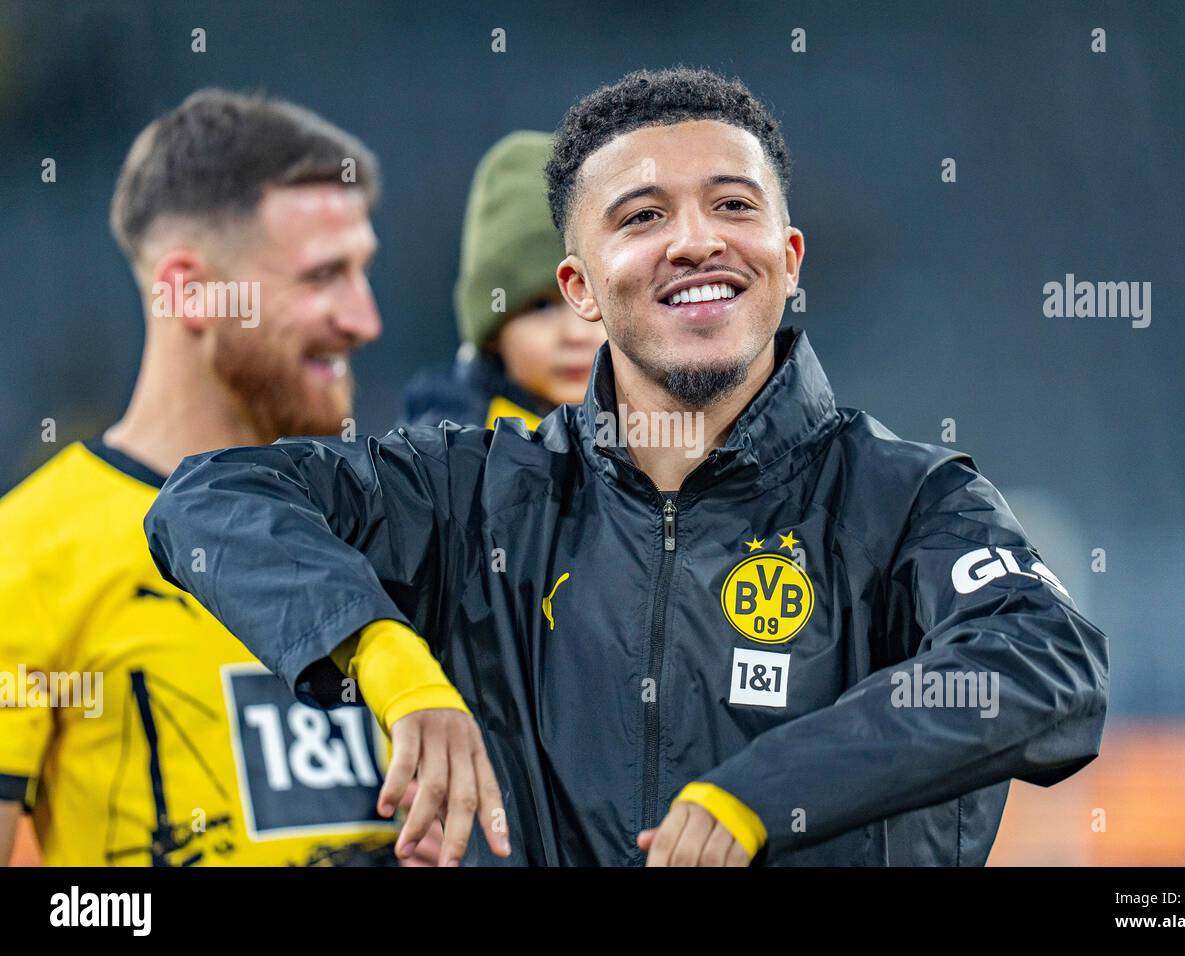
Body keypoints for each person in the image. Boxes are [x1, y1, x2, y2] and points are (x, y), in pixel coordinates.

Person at [145, 68, 1109, 867]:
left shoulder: (906, 500)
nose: (696, 239)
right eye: (643, 215)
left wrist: (765, 792)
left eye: (733, 205)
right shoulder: (475, 493)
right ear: (582, 287)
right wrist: (393, 664)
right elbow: (207, 500)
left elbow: (1047, 668)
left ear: (789, 254)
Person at [0, 90, 398, 865]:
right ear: (189, 290)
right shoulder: (27, 555)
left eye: (364, 271)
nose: (364, 319)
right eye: (324, 277)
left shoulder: (389, 530)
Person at [400, 131, 606, 431]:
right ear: (492, 334)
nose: (576, 334)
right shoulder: (453, 451)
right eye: (540, 307)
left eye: (594, 299)